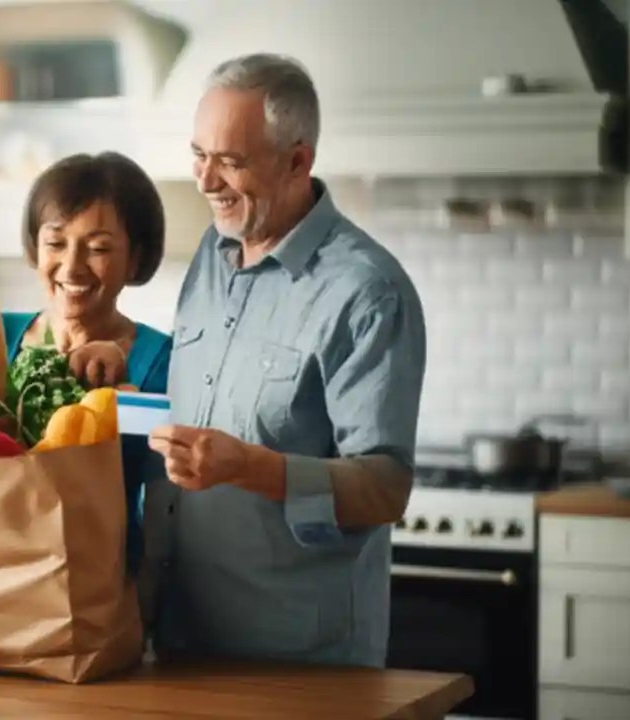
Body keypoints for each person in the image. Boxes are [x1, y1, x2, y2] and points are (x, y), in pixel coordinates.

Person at [144, 53, 427, 668]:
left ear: (298, 161)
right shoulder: (213, 253)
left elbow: (384, 488)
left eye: (231, 161)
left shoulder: (366, 291)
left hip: (301, 659)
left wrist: (250, 466)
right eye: (200, 154)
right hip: (184, 641)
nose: (205, 180)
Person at [0, 151, 173, 573]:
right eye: (55, 243)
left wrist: (119, 398)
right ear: (35, 247)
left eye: (99, 247)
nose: (72, 266)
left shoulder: (161, 360)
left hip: (98, 587)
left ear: (135, 258)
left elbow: (175, 479)